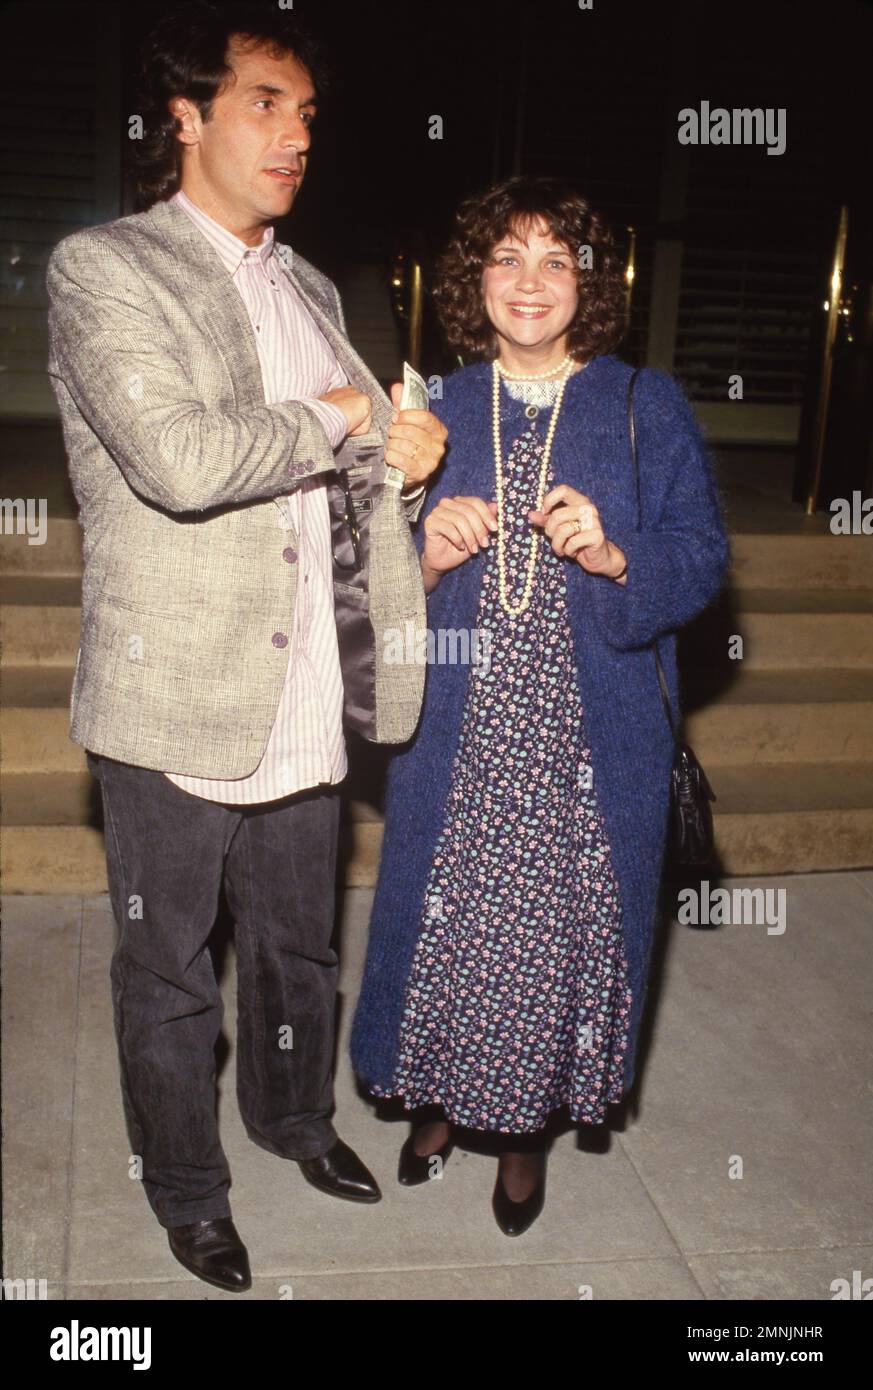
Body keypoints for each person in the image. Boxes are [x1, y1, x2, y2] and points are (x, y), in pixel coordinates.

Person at [45, 1, 446, 1292]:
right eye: (266, 102)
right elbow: (182, 460)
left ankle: (292, 1117)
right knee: (167, 968)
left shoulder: (315, 287)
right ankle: (185, 1186)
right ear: (188, 116)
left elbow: (340, 484)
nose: (296, 135)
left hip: (306, 680)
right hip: (179, 688)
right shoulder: (106, 268)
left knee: (297, 945)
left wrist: (405, 465)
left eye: (309, 113)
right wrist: (343, 412)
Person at [350, 175, 730, 1235]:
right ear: (475, 280)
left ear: (588, 284)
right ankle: (434, 1105)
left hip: (585, 731)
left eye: (556, 260)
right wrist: (418, 553)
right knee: (447, 926)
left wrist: (616, 554)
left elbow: (701, 555)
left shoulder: (640, 403)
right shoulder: (433, 405)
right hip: (459, 733)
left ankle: (521, 1143)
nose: (531, 281)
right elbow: (354, 563)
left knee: (554, 940)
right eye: (507, 258)